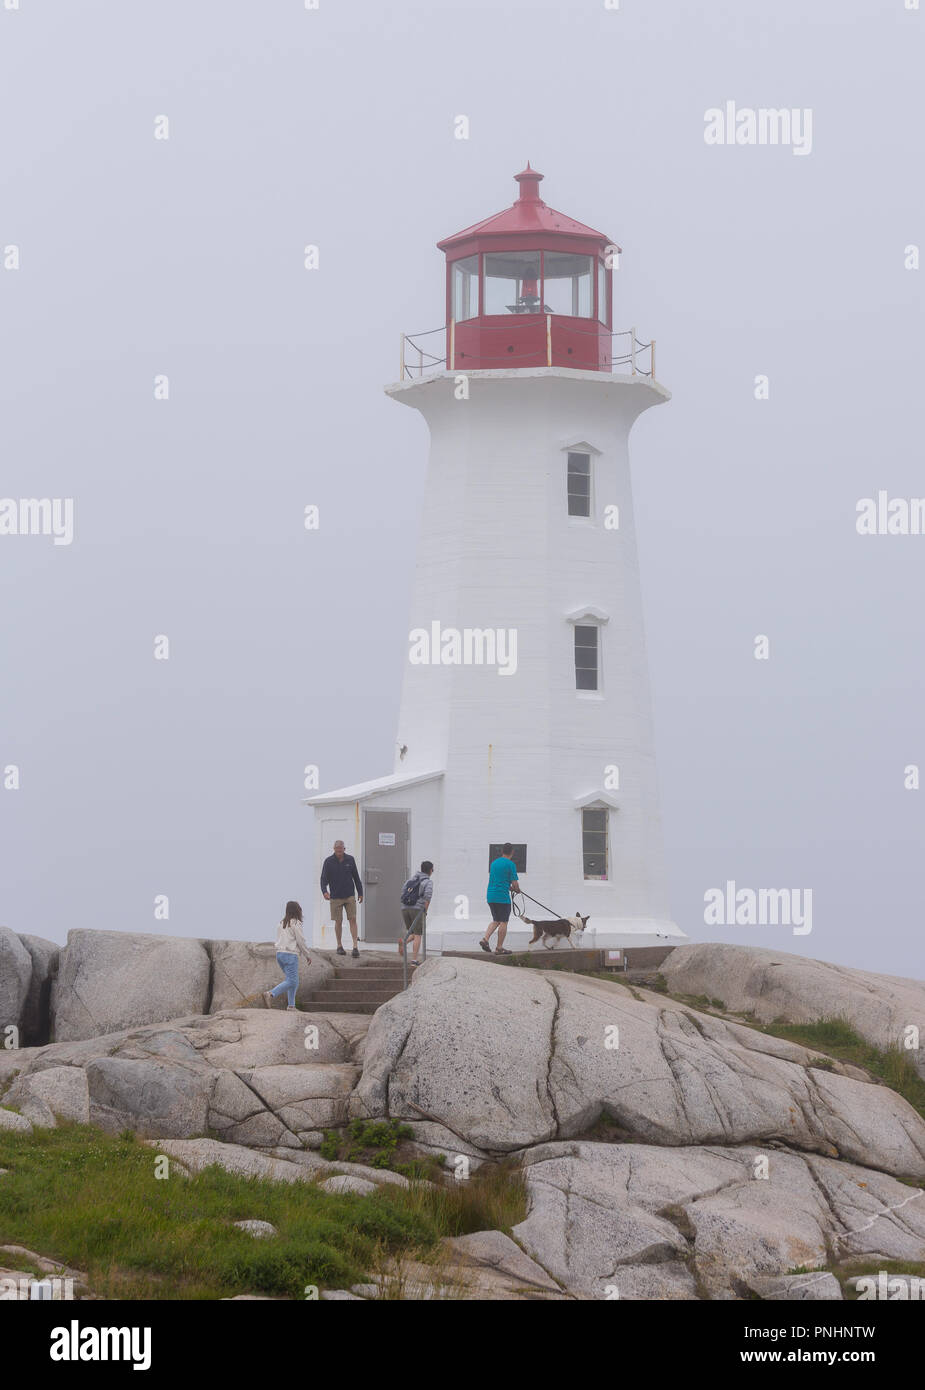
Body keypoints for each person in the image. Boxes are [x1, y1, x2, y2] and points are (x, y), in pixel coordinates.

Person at [320, 839, 364, 958]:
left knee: (352, 919)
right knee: (338, 921)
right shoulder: (328, 862)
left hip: (349, 895)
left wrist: (360, 892)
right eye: (337, 850)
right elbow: (323, 878)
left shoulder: (350, 859)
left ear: (344, 849)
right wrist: (324, 891)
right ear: (334, 849)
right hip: (335, 897)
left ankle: (355, 947)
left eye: (341, 850)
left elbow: (356, 877)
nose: (339, 852)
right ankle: (339, 946)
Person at [264, 901, 309, 1010]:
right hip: (290, 955)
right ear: (297, 910)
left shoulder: (281, 923)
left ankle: (291, 1005)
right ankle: (270, 994)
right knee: (292, 981)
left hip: (279, 954)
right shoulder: (296, 923)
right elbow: (300, 940)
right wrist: (307, 954)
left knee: (293, 980)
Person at [480, 843, 521, 955]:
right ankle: (499, 947)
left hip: (491, 896)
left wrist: (510, 888)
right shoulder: (510, 864)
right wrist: (516, 889)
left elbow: (498, 880)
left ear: (502, 851)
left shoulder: (494, 863)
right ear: (512, 852)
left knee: (496, 920)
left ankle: (485, 939)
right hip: (502, 897)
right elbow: (514, 883)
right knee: (503, 921)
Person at [398, 860, 434, 967]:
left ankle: (403, 941)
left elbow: (403, 892)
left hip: (405, 909)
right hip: (417, 909)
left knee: (412, 932)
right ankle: (414, 960)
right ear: (430, 870)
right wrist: (425, 912)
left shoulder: (411, 879)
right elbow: (427, 898)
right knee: (418, 935)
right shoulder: (428, 882)